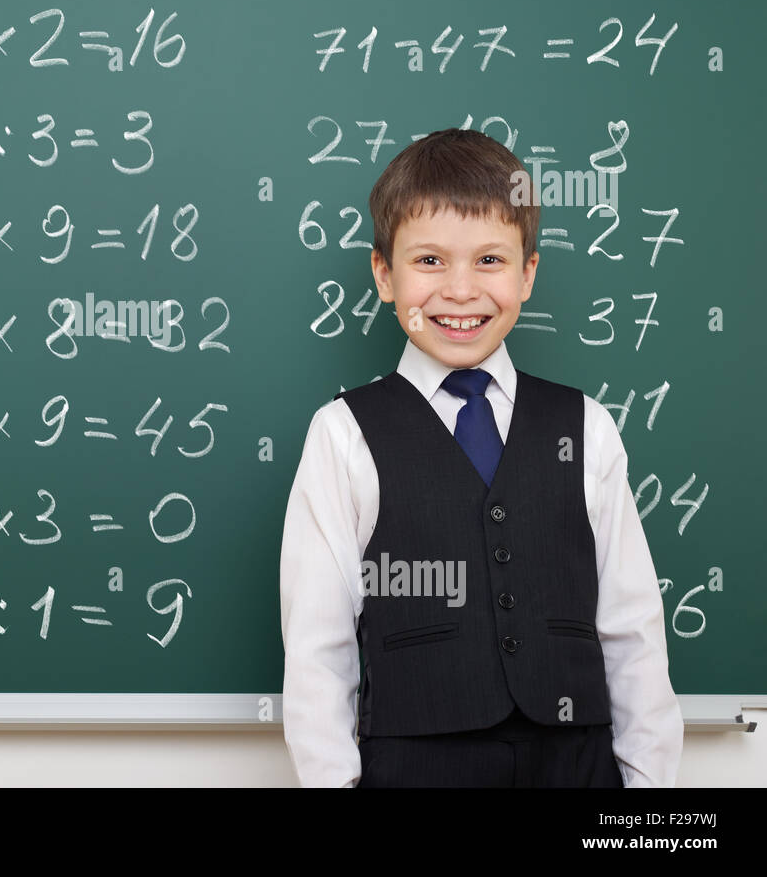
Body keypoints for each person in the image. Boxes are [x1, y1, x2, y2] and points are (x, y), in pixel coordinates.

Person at [279, 128, 683, 787]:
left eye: (490, 261)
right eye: (430, 261)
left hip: (576, 768)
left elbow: (632, 632)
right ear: (384, 274)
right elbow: (317, 654)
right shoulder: (343, 435)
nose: (460, 291)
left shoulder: (587, 428)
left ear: (528, 273)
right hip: (415, 768)